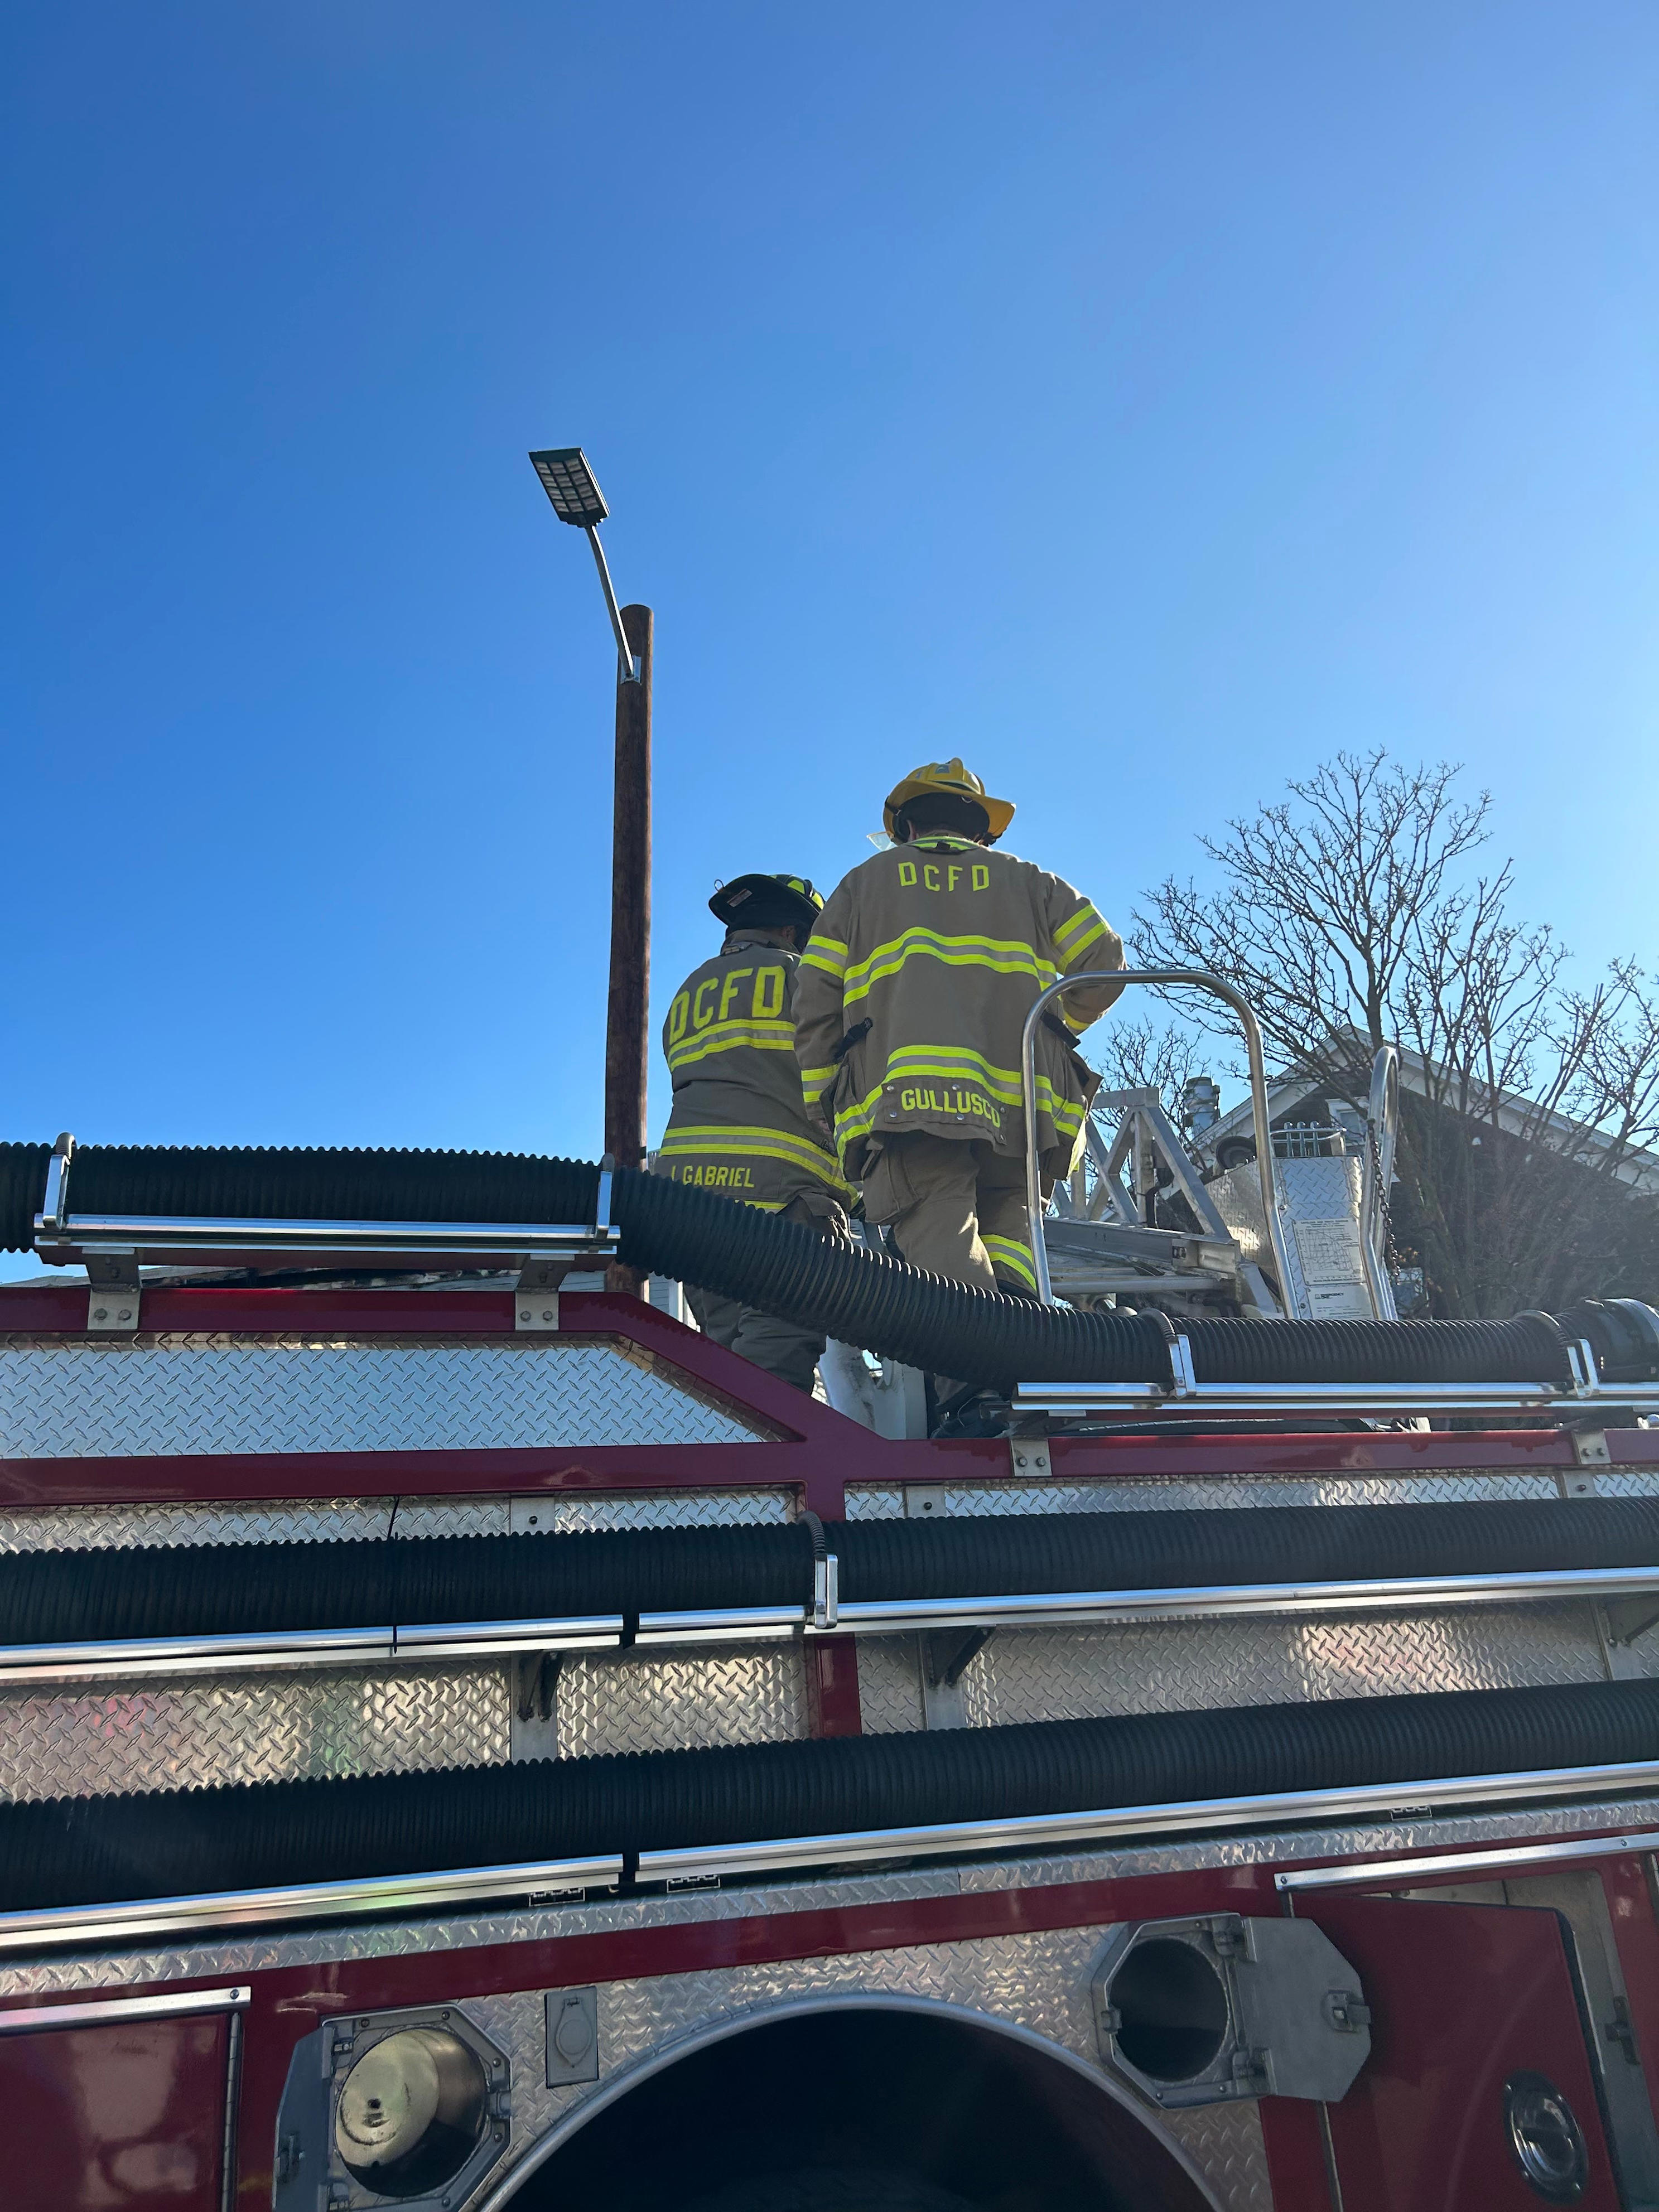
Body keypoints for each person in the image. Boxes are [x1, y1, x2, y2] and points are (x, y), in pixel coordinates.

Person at [794, 759, 1123, 1301]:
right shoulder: (1033, 882)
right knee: (1015, 1217)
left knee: (940, 1233)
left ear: (907, 827)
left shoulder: (862, 886)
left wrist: (823, 1104)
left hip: (912, 1104)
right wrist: (1061, 1028)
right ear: (980, 831)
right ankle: (1024, 1321)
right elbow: (1105, 963)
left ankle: (986, 1360)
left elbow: (815, 1002)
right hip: (1027, 1103)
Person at [655, 872, 853, 1391]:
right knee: (778, 1358)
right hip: (781, 1198)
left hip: (689, 1208)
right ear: (793, 932)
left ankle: (731, 1456)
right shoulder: (804, 980)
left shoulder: (687, 994)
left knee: (730, 1359)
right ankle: (756, 1468)